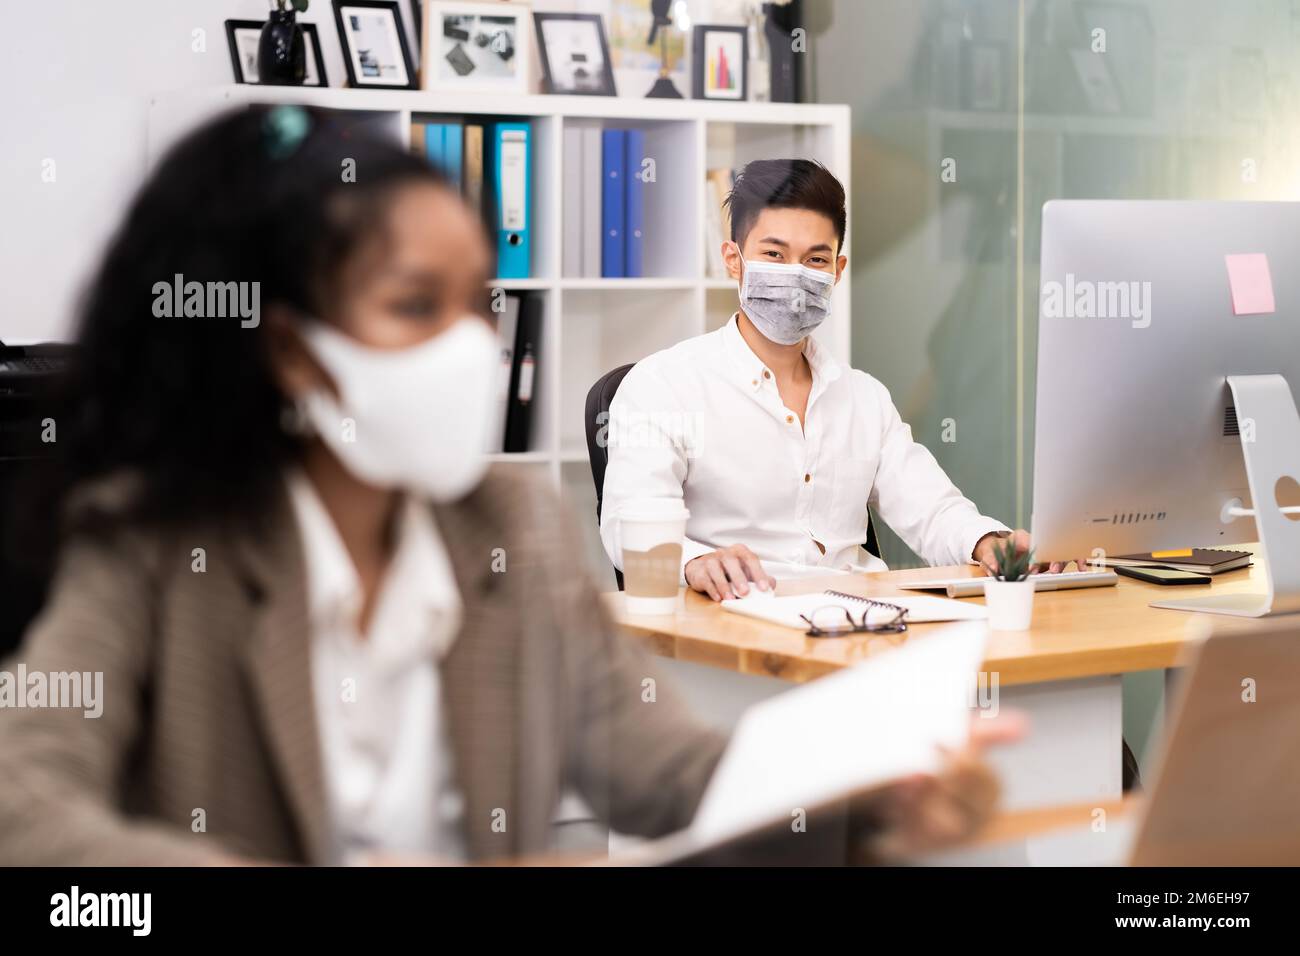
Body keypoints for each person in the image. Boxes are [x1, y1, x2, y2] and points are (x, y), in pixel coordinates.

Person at [0, 107, 1011, 865]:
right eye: (413, 304)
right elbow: (24, 807)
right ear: (295, 351)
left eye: (476, 303)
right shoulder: (153, 544)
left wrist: (877, 792)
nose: (469, 345)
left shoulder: (511, 523)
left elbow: (671, 774)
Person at [600, 159, 1084, 601]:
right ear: (733, 259)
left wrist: (990, 544)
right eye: (773, 254)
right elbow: (630, 528)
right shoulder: (662, 385)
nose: (795, 275)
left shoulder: (864, 398)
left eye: (815, 259)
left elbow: (932, 510)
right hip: (734, 625)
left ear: (838, 270)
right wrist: (696, 562)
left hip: (865, 627)